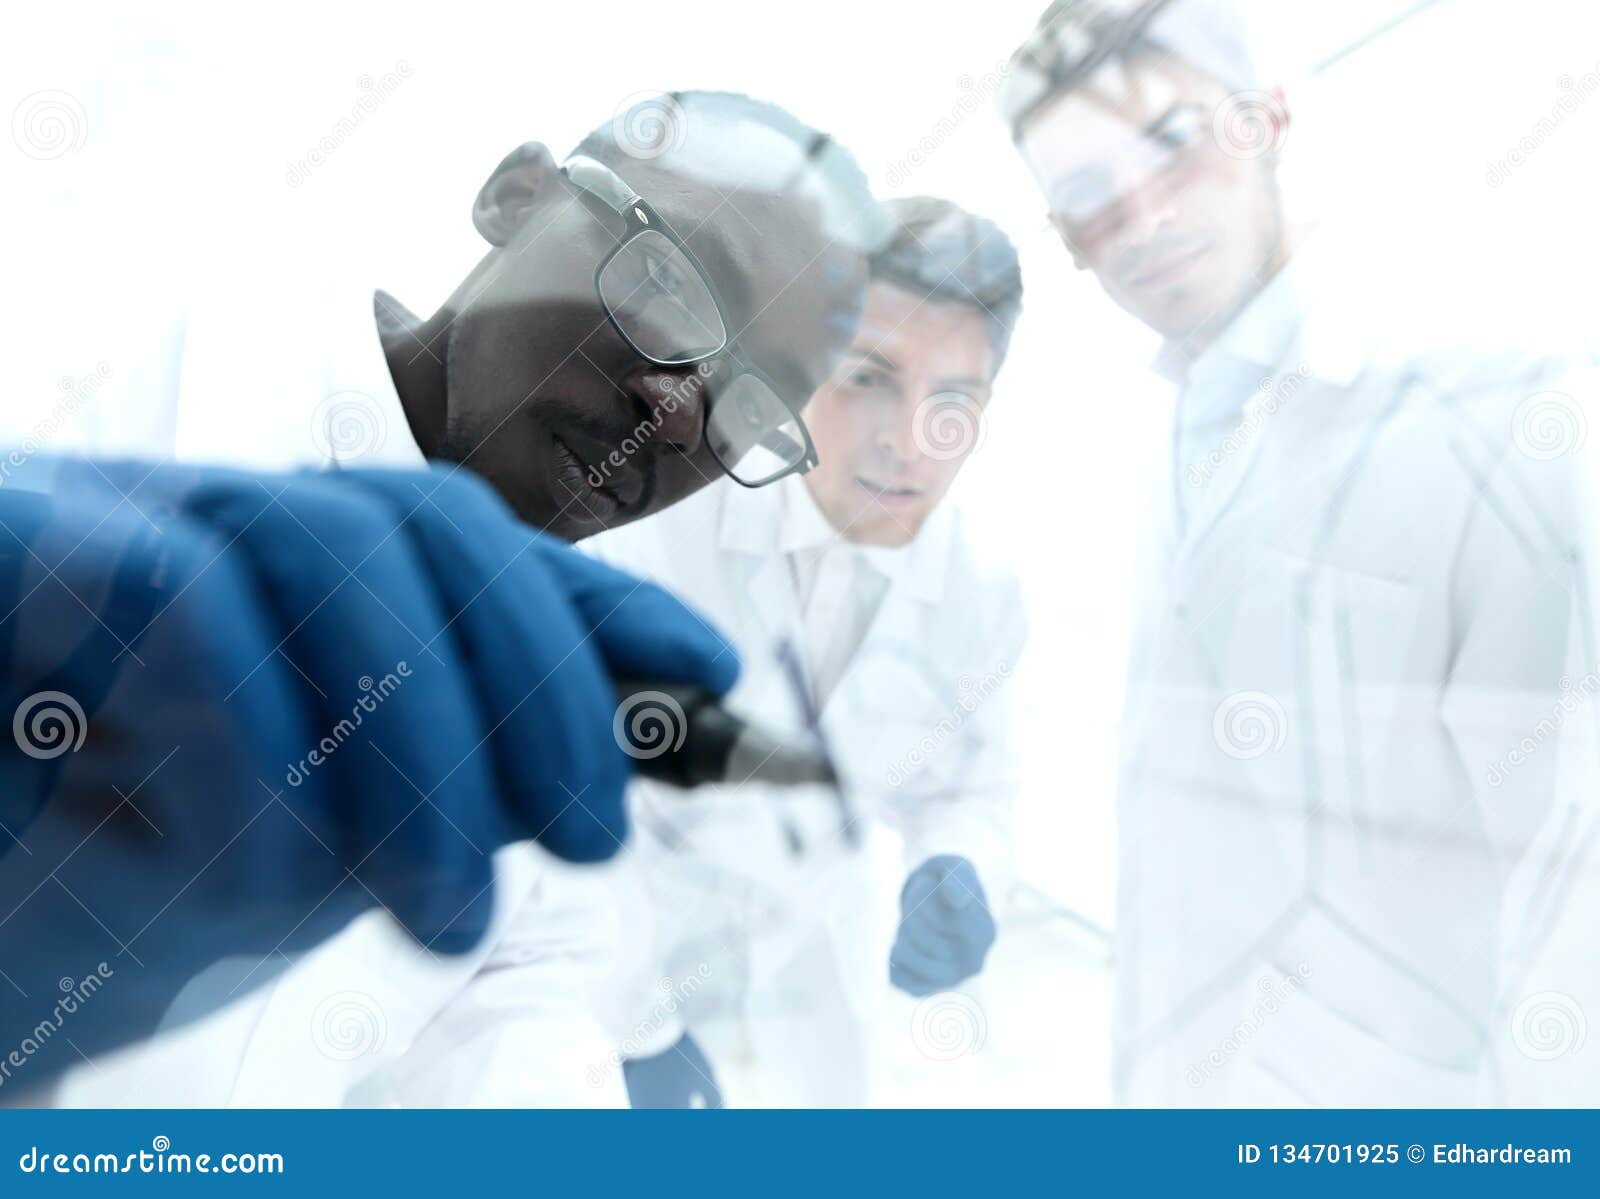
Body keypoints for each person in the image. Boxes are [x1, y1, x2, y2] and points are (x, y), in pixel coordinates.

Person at [36, 90, 883, 1107]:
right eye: (672, 286)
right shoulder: (98, 366)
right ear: (517, 198)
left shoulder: (563, 734)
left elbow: (522, 1041)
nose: (674, 408)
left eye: (748, 398)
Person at [998, 0, 1600, 1105]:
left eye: (1173, 145)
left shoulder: (1491, 402)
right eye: (1084, 200)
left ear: (1265, 119)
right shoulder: (1178, 414)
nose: (1140, 217)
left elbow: (1573, 873)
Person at [584, 196, 1027, 1106]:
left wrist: (960, 869)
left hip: (819, 992)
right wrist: (637, 1027)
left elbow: (971, 788)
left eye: (955, 400)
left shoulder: (980, 592)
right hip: (619, 967)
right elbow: (573, 788)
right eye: (868, 377)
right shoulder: (661, 514)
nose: (910, 443)